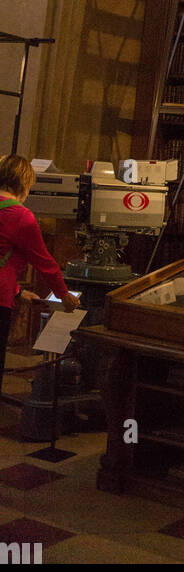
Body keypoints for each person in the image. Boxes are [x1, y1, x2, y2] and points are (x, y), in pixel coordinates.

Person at [0, 154, 79, 394]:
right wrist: (64, 296)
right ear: (23, 183)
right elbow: (45, 263)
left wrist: (19, 291)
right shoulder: (21, 216)